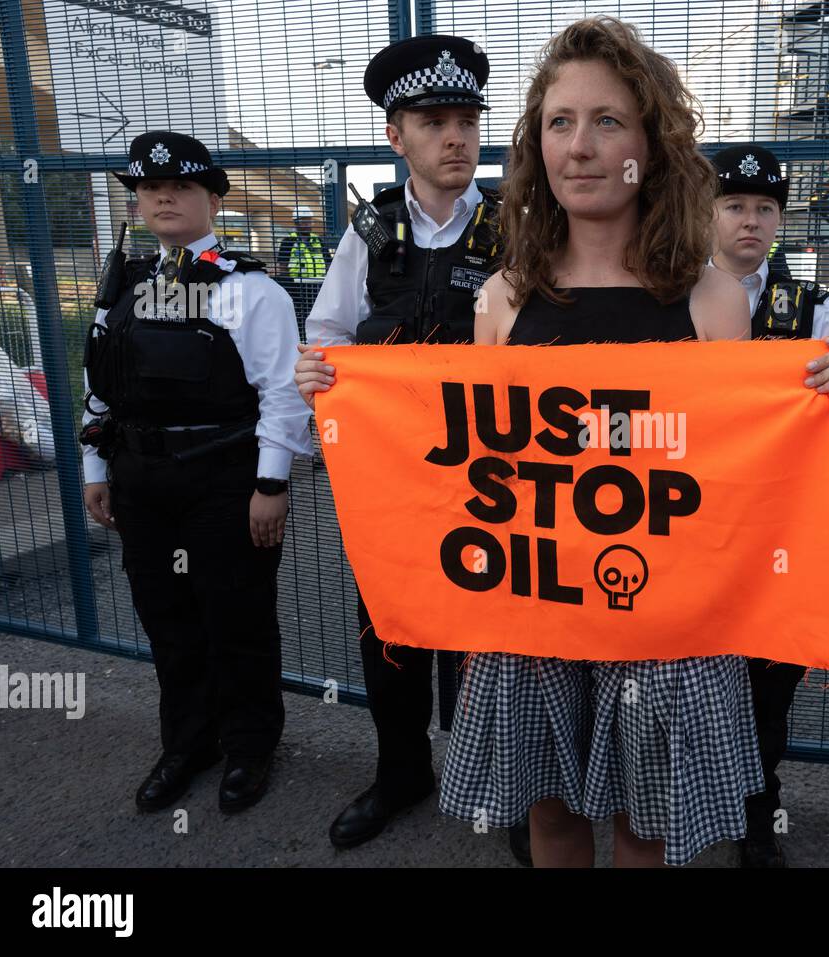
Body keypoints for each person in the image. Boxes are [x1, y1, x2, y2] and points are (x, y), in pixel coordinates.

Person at [438, 15, 829, 868]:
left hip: (670, 615)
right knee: (551, 812)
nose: (582, 147)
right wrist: (340, 396)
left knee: (648, 820)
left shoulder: (711, 301)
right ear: (535, 145)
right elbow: (484, 461)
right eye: (560, 122)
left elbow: (738, 470)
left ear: (650, 143)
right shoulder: (502, 299)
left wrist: (813, 400)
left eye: (608, 121)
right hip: (539, 609)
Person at [291, 35, 527, 856]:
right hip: (389, 486)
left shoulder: (515, 230)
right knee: (389, 635)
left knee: (493, 638)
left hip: (491, 484)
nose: (456, 137)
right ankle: (402, 773)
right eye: (434, 122)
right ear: (398, 138)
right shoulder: (370, 234)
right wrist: (320, 375)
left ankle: (503, 781)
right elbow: (324, 335)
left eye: (466, 120)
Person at [81, 131, 311, 813]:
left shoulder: (250, 290)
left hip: (223, 480)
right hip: (141, 480)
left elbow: (283, 394)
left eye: (179, 187)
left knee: (236, 616)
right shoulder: (124, 284)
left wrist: (271, 485)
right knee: (168, 619)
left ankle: (249, 744)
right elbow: (99, 386)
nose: (162, 197)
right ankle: (188, 741)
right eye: (149, 189)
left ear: (213, 198)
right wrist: (97, 466)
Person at [708, 142, 829, 867]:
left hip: (778, 531)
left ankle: (757, 809)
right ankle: (667, 799)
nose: (751, 222)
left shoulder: (814, 307)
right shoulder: (667, 296)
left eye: (765, 209)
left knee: (767, 683)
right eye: (735, 206)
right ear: (708, 213)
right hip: (691, 526)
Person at [277, 207, 332, 280]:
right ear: (296, 223)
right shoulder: (288, 241)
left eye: (309, 222)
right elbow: (283, 268)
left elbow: (328, 264)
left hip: (319, 285)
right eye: (304, 222)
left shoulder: (318, 240)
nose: (308, 225)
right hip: (298, 287)